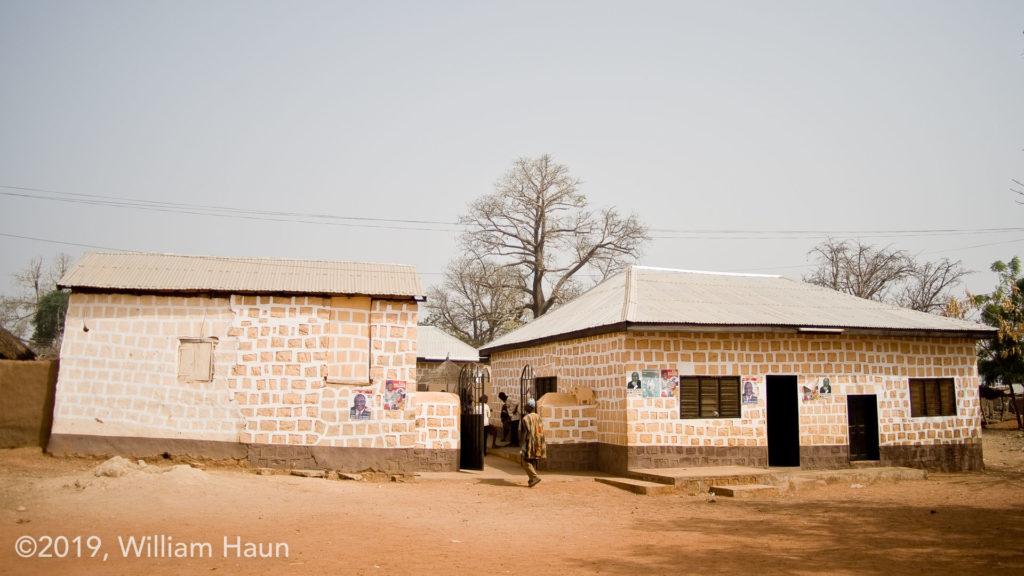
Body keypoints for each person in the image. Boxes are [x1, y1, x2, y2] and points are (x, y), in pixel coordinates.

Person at [519, 398, 546, 488]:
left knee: (525, 460)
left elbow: (524, 433)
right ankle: (531, 479)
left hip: (529, 441)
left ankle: (534, 477)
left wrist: (522, 445)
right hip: (538, 441)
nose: (525, 407)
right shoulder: (538, 417)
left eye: (526, 405)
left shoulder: (526, 418)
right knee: (532, 459)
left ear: (530, 407)